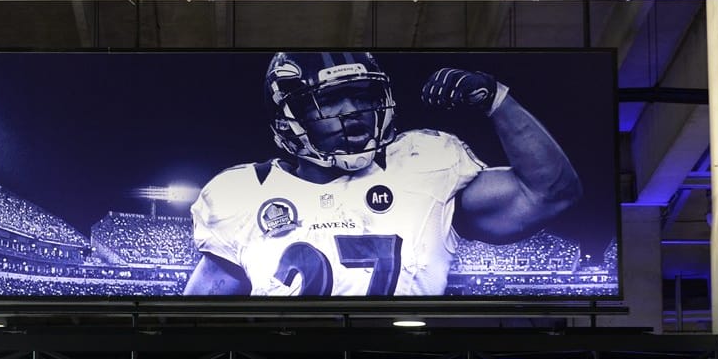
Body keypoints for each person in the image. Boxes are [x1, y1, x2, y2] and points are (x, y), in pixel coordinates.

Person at [183, 51, 581, 297]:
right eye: (332, 101)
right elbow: (191, 326)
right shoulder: (240, 195)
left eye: (363, 96)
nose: (354, 111)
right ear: (291, 117)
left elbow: (550, 193)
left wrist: (499, 100)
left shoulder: (423, 162)